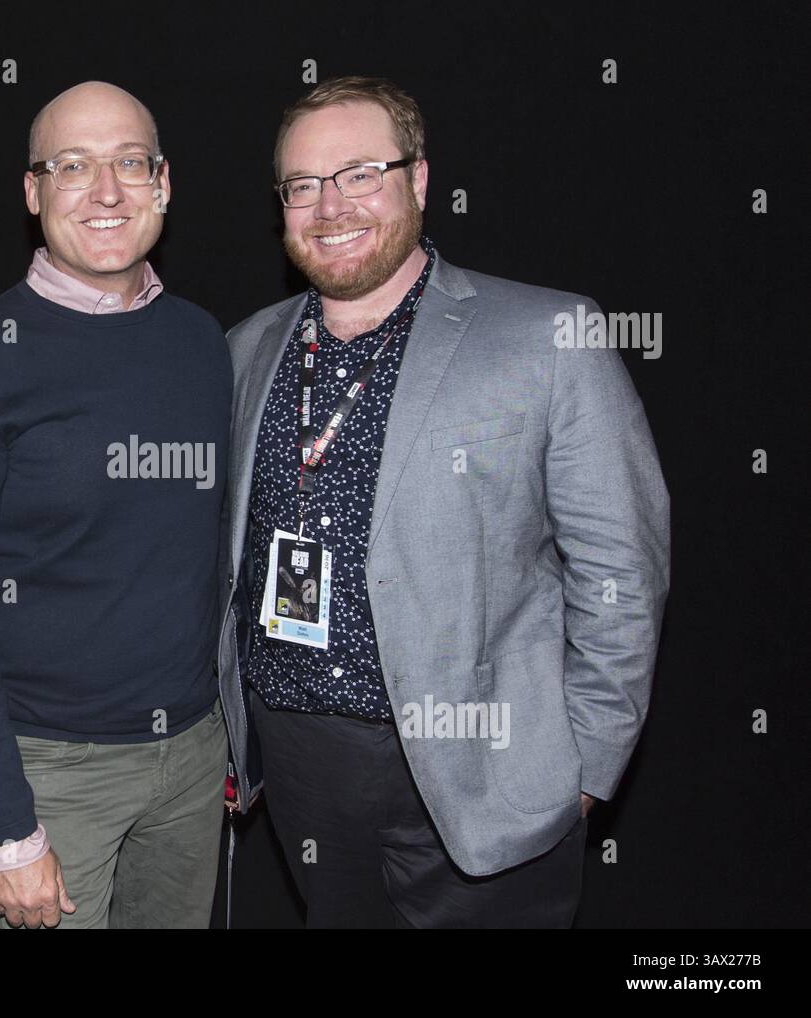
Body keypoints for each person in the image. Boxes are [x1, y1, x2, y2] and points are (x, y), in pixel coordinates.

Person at [218, 76, 670, 928]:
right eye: (302, 185)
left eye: (360, 173)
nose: (330, 205)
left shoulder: (549, 337)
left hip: (487, 766)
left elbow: (623, 573)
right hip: (303, 765)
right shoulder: (247, 349)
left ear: (418, 181)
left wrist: (585, 766)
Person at [0, 81, 231, 929]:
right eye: (73, 166)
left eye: (129, 163)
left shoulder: (203, 341)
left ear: (164, 182)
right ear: (33, 191)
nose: (107, 190)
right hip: (51, 773)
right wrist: (7, 831)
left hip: (196, 760)